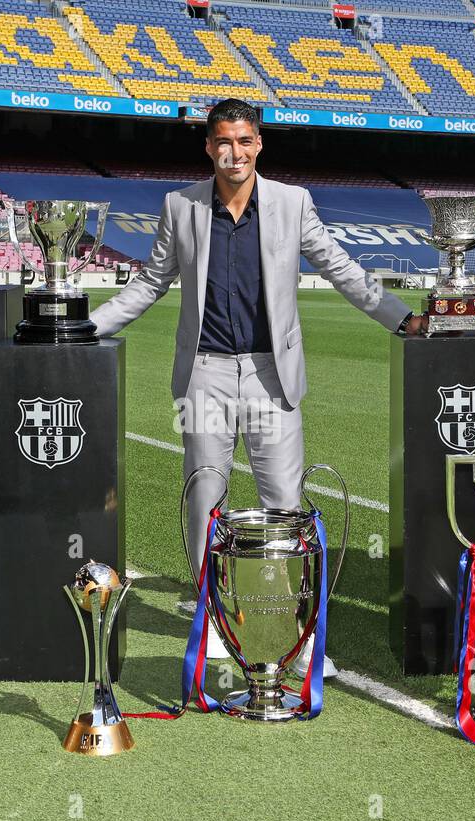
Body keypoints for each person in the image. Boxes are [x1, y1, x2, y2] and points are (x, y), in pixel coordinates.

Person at [91, 98, 425, 675]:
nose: (234, 152)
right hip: (207, 373)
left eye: (244, 141)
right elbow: (148, 284)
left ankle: (286, 628)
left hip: (272, 374)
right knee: (206, 501)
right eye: (223, 141)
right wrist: (81, 328)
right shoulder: (181, 207)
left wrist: (400, 317)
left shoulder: (293, 203)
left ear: (259, 144)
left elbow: (340, 267)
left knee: (284, 504)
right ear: (208, 147)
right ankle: (215, 616)